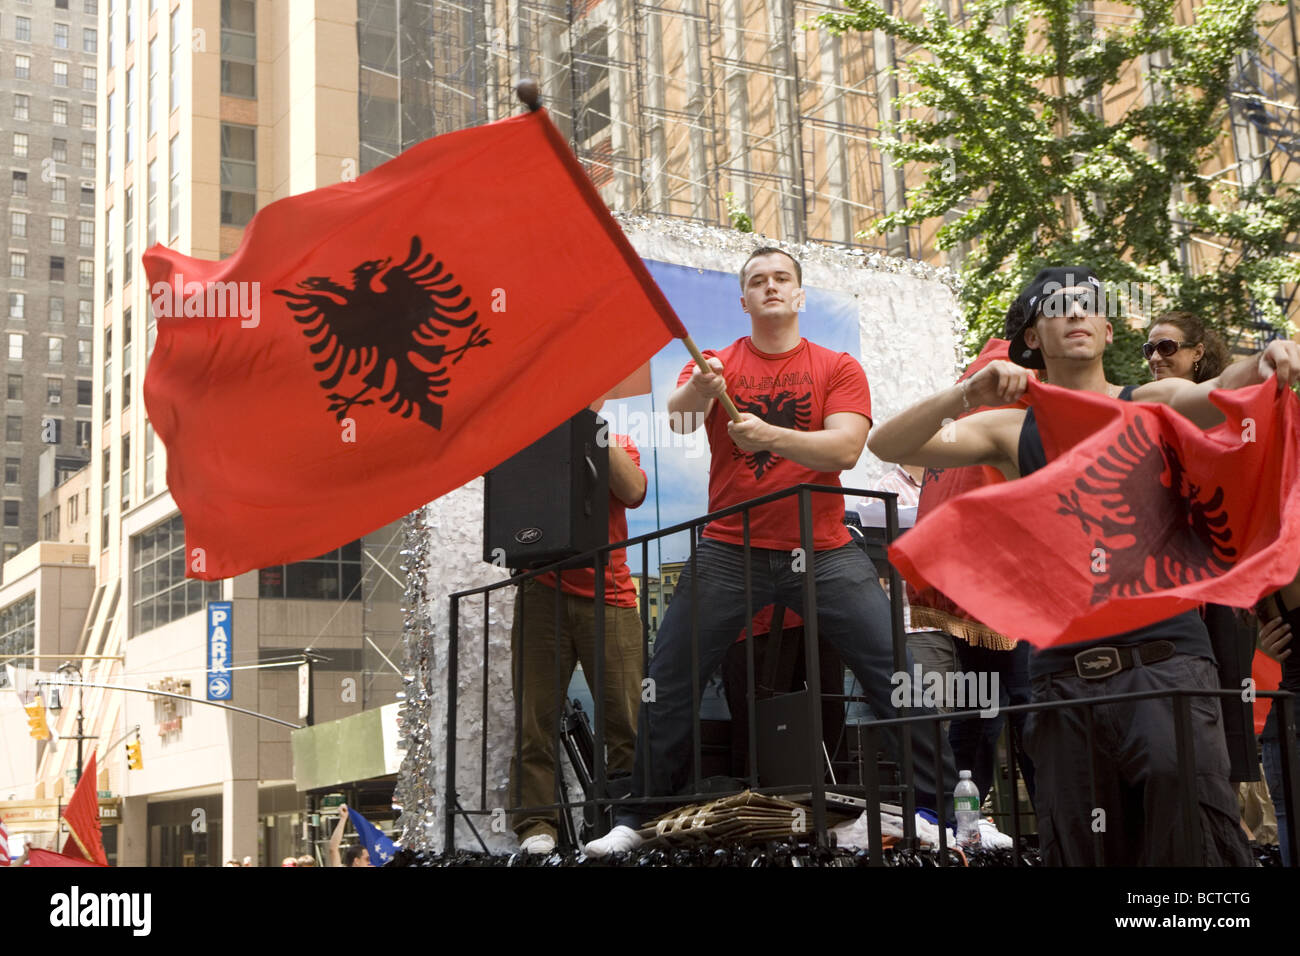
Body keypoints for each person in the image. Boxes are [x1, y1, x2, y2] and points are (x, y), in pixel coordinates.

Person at [867, 265, 1300, 865]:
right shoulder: (1008, 428)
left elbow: (1217, 391)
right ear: (1033, 338)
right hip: (1062, 678)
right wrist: (968, 394)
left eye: (1087, 304)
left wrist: (1266, 361)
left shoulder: (1151, 403)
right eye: (1055, 306)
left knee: (1192, 844)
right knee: (1082, 844)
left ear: (1107, 328)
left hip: (1166, 665)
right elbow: (887, 445)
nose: (1074, 313)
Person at [585, 246, 959, 857]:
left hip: (827, 546)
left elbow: (842, 451)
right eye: (757, 281)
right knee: (669, 678)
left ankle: (935, 813)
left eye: (782, 278)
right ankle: (639, 817)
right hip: (730, 547)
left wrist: (768, 435)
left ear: (799, 293)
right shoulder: (717, 361)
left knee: (897, 672)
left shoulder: (837, 365)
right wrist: (699, 392)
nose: (771, 287)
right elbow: (679, 422)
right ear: (744, 299)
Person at [510, 408, 647, 855]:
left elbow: (634, 490)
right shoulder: (533, 444)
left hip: (609, 595)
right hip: (541, 590)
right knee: (535, 718)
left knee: (625, 719)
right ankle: (536, 824)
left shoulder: (617, 439)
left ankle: (627, 820)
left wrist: (590, 423)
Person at [1144, 311, 1229, 383]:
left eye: (1166, 347)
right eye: (1149, 349)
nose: (1154, 358)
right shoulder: (1142, 399)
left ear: (1197, 353)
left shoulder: (1216, 399)